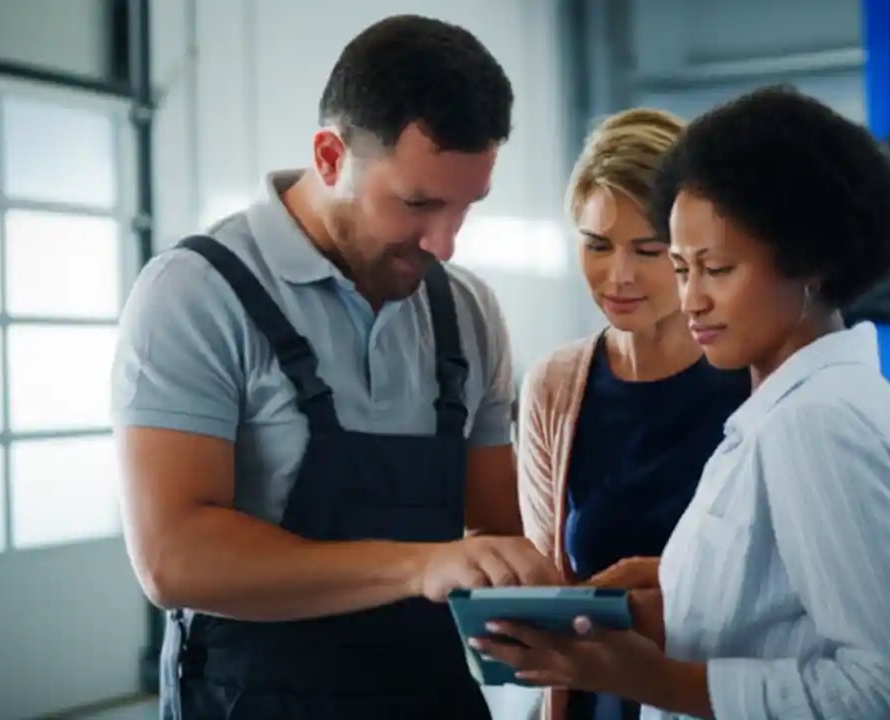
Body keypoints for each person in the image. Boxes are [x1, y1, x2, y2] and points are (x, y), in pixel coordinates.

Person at [474, 86, 890, 719]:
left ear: (809, 262)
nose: (691, 300)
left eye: (716, 269)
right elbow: (780, 611)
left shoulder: (814, 427)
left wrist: (657, 681)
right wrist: (670, 594)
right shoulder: (808, 405)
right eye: (683, 270)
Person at [111, 15, 561, 719]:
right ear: (329, 156)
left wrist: (558, 606)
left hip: (430, 697)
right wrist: (418, 566)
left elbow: (493, 529)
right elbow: (173, 559)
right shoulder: (195, 294)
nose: (444, 242)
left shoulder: (468, 312)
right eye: (418, 204)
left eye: (467, 206)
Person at [517, 108, 750, 720]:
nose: (618, 277)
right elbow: (548, 579)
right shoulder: (555, 386)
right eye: (596, 246)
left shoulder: (754, 382)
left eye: (648, 250)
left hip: (716, 700)